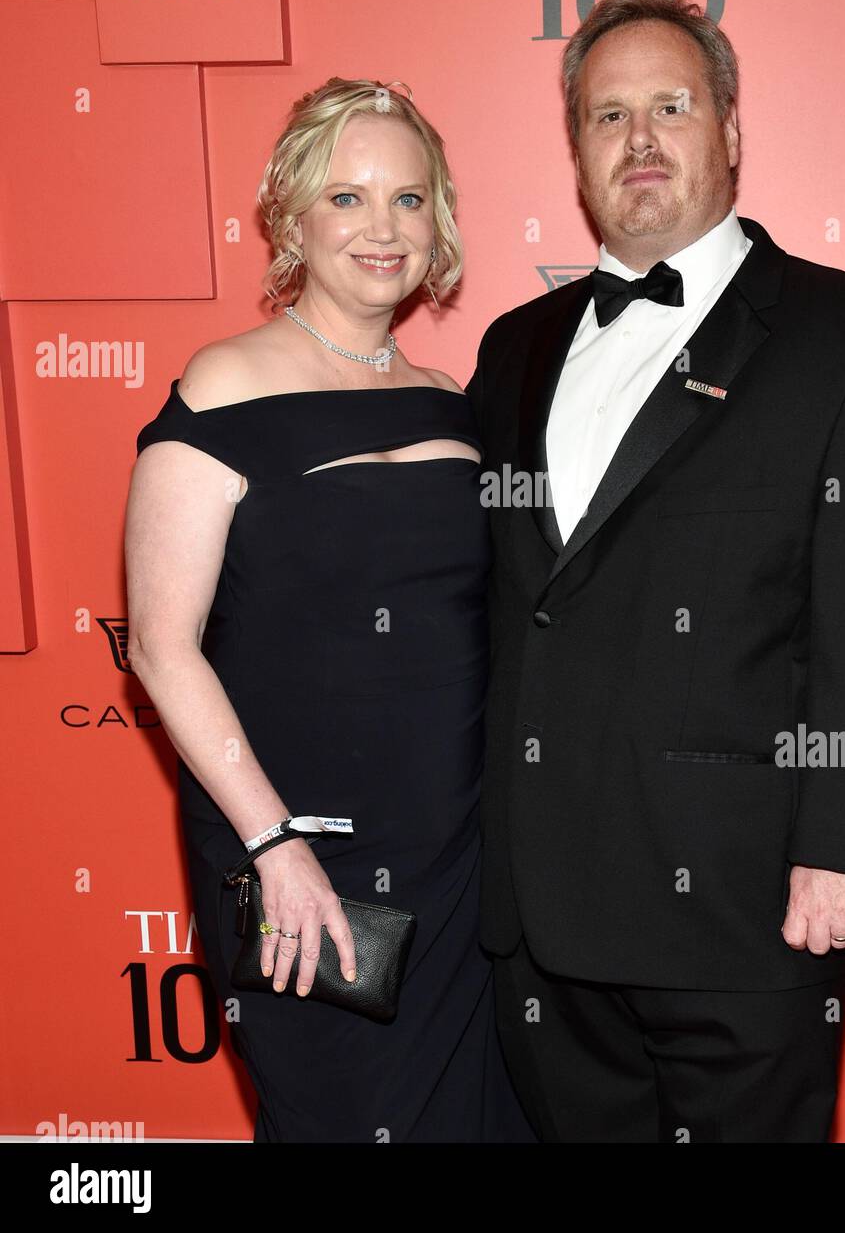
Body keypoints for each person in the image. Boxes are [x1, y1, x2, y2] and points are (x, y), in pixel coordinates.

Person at [466, 0, 845, 1143]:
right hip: (539, 913)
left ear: (731, 132)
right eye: (607, 116)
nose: (639, 141)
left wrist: (844, 850)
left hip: (744, 912)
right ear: (577, 148)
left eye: (672, 106)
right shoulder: (512, 349)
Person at [124, 77, 534, 1143]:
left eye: (407, 199)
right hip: (302, 852)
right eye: (346, 198)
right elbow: (164, 652)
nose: (382, 228)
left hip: (462, 855)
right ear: (291, 216)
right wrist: (275, 843)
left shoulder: (459, 402)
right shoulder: (221, 390)